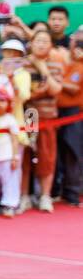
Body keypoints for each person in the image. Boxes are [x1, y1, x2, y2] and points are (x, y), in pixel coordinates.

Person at [23, 29, 64, 212]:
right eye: (37, 40)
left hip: (47, 117)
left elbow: (55, 90)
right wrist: (36, 93)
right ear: (31, 43)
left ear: (51, 45)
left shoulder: (56, 66)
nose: (40, 44)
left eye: (44, 41)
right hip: (28, 115)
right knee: (25, 156)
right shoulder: (22, 65)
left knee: (47, 157)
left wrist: (41, 66)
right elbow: (19, 93)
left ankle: (45, 196)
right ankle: (24, 196)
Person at [0, 85, 28, 217]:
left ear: (8, 103)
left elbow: (15, 140)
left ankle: (9, 204)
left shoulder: (10, 119)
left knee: (9, 181)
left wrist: (15, 157)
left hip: (7, 157)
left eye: (2, 101)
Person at [58, 31, 83, 207]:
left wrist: (53, 81)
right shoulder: (69, 65)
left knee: (72, 151)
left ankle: (73, 192)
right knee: (63, 152)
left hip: (73, 113)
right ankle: (64, 190)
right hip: (56, 114)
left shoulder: (80, 67)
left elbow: (73, 88)